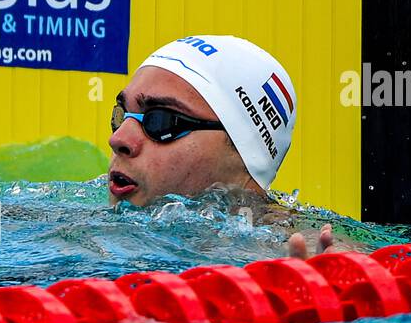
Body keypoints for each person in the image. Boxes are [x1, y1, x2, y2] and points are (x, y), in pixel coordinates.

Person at [107, 34, 333, 258]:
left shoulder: (304, 252)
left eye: (162, 120)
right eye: (121, 115)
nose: (118, 139)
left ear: (244, 154)